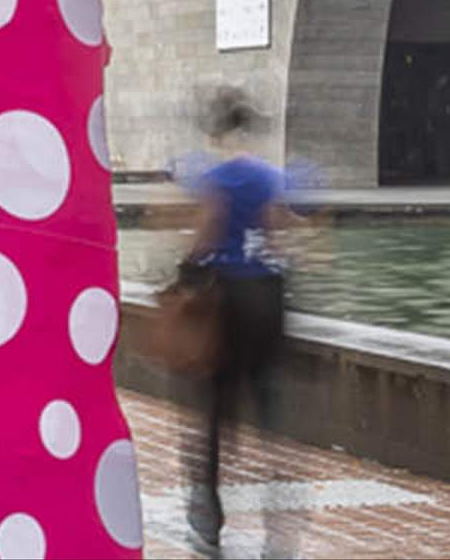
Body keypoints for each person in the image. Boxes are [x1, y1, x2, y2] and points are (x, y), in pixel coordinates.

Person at [174, 87, 296, 558]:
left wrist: (186, 273)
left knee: (211, 415)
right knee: (270, 411)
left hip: (225, 302)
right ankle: (280, 521)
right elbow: (277, 233)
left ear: (216, 130)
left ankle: (207, 516)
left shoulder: (216, 177)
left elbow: (207, 231)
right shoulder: (270, 176)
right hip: (268, 297)